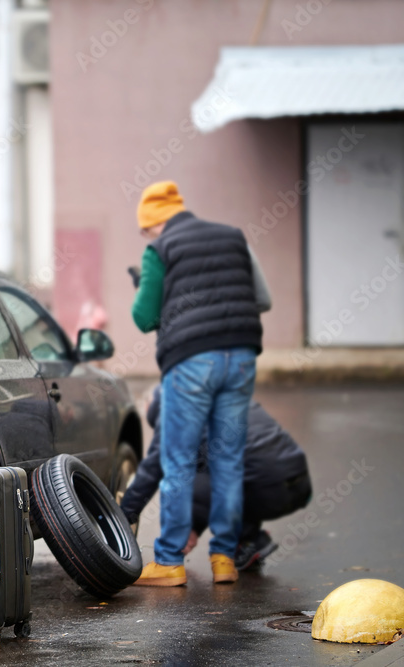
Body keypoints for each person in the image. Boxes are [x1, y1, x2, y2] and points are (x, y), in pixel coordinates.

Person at [129, 181, 271, 586]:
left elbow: (143, 316)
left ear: (154, 223)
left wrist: (163, 300)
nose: (145, 237)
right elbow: (262, 298)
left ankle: (170, 561)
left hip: (191, 359)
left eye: (144, 230)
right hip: (241, 355)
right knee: (228, 460)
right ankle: (224, 559)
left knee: (178, 460)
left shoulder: (160, 249)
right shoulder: (233, 237)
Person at [120, 386, 312, 570]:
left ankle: (242, 539)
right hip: (298, 485)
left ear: (151, 404)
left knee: (179, 479)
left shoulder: (172, 406)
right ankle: (251, 541)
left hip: (263, 488)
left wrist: (122, 517)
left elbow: (153, 469)